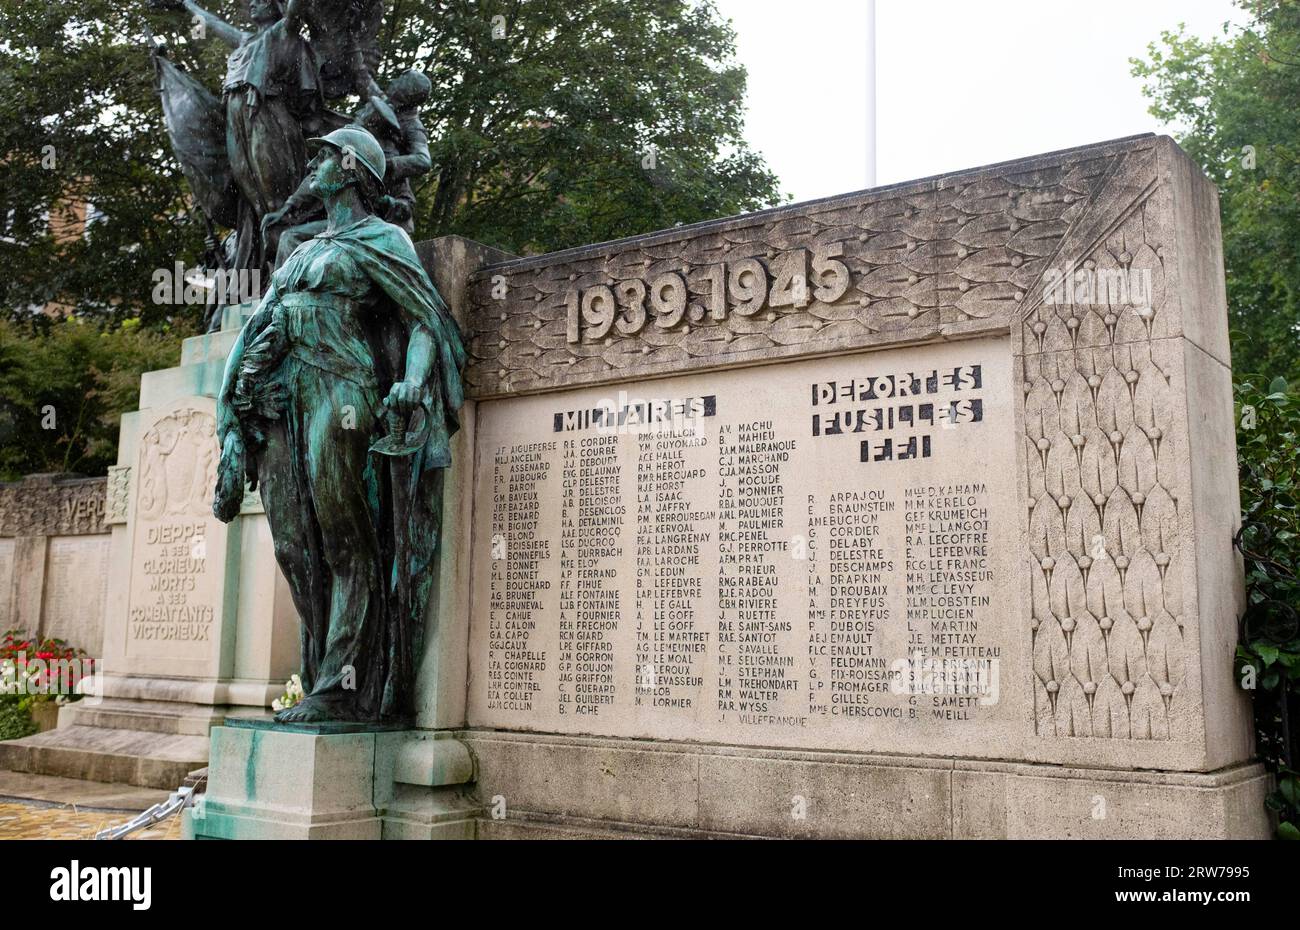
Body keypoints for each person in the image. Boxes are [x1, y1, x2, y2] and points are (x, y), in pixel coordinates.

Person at [213, 126, 465, 724]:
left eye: (325, 155)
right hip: (279, 396)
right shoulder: (300, 249)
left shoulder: (385, 239)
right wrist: (232, 412)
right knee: (294, 545)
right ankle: (325, 670)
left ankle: (343, 685)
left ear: (351, 170)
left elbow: (425, 318)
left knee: (343, 534)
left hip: (340, 388)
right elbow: (256, 327)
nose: (314, 163)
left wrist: (410, 379)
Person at [165, 0, 323, 272]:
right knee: (251, 196)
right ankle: (265, 267)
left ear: (275, 7)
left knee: (275, 194)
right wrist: (186, 4)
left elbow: (297, 7)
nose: (253, 4)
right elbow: (212, 24)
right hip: (234, 115)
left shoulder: (284, 31)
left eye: (260, 1)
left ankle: (290, 267)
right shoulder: (246, 40)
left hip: (266, 112)